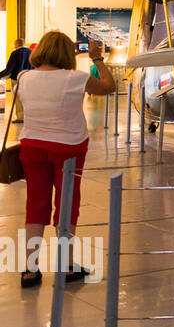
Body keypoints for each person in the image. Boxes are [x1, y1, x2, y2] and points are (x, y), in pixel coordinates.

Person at [18, 32, 116, 287]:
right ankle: (66, 266)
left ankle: (30, 269)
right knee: (67, 205)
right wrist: (98, 60)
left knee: (35, 205)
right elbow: (109, 86)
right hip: (68, 149)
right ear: (67, 53)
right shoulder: (76, 78)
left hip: (32, 146)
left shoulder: (23, 78)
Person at [2, 37, 31, 122]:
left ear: (16, 44)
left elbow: (9, 69)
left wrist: (1, 75)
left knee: (18, 98)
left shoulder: (15, 53)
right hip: (29, 78)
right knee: (28, 98)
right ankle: (28, 117)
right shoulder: (31, 52)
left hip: (16, 79)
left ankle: (20, 117)